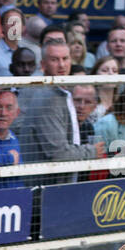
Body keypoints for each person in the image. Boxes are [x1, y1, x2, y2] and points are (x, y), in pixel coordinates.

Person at [15, 40, 104, 175]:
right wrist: (91, 151)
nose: (62, 65)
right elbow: (58, 153)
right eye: (54, 60)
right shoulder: (46, 97)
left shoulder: (62, 92)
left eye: (65, 59)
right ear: (43, 65)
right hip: (46, 184)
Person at [90, 54, 120, 120]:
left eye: (114, 71)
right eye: (105, 70)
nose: (111, 73)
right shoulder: (89, 105)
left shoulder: (122, 105)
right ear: (95, 74)